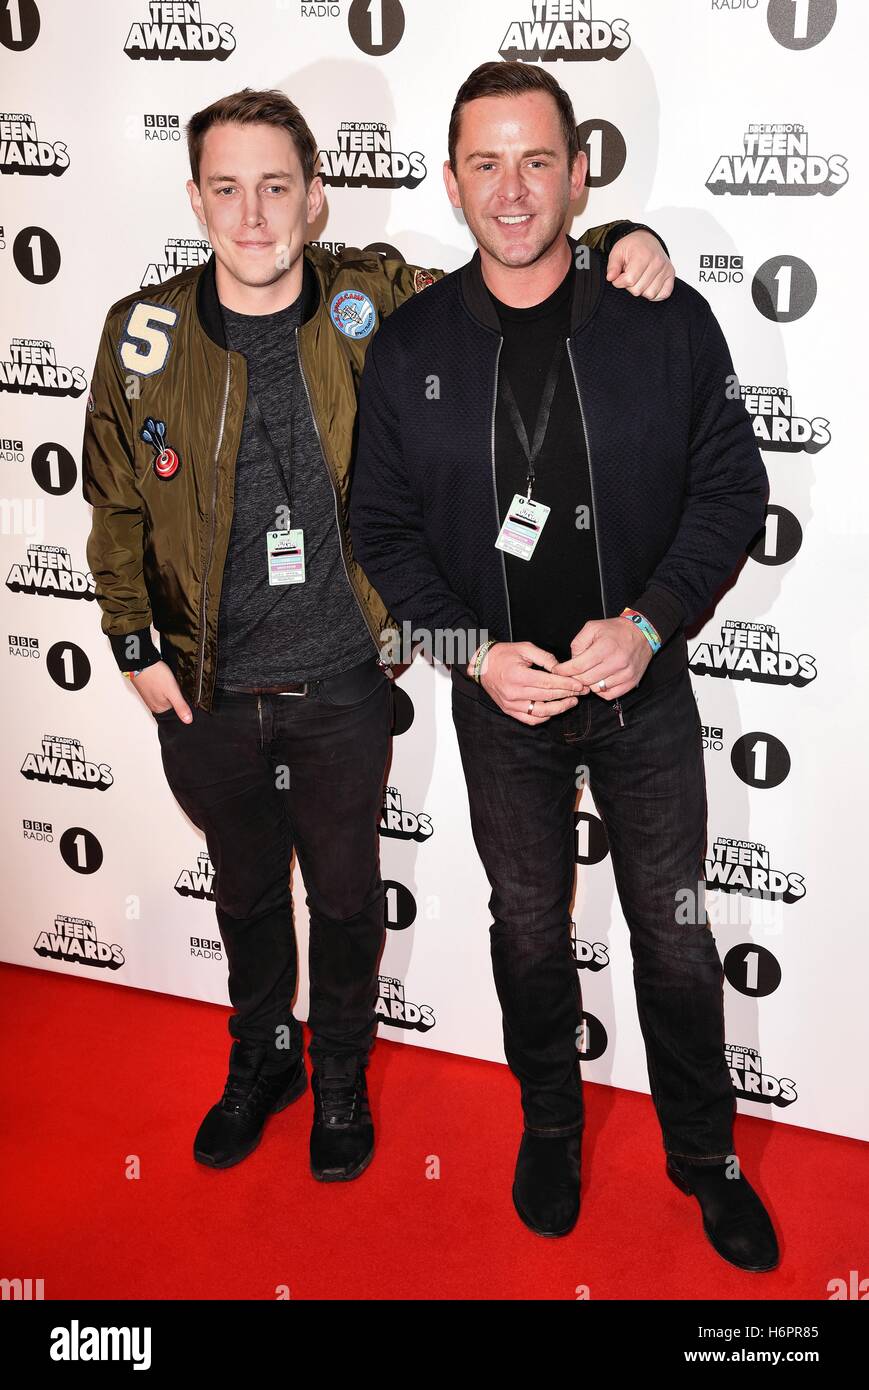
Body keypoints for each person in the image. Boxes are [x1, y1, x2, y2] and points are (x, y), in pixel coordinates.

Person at [81, 85, 674, 1185]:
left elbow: (515, 261)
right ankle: (262, 1057)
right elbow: (113, 507)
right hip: (203, 689)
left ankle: (340, 1074)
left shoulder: (374, 296)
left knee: (347, 898)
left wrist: (616, 239)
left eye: (274, 188)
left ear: (314, 198)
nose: (250, 216)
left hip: (345, 680)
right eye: (226, 188)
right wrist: (134, 650)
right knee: (247, 895)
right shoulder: (141, 334)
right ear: (196, 198)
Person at [350, 62, 778, 1271]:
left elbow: (730, 489)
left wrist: (645, 625)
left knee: (678, 931)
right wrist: (473, 657)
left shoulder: (658, 315)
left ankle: (703, 1154)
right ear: (449, 181)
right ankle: (549, 1122)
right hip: (501, 703)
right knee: (528, 929)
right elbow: (379, 535)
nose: (512, 188)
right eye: (483, 162)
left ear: (580, 175)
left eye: (537, 159)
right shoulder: (407, 346)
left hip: (641, 688)